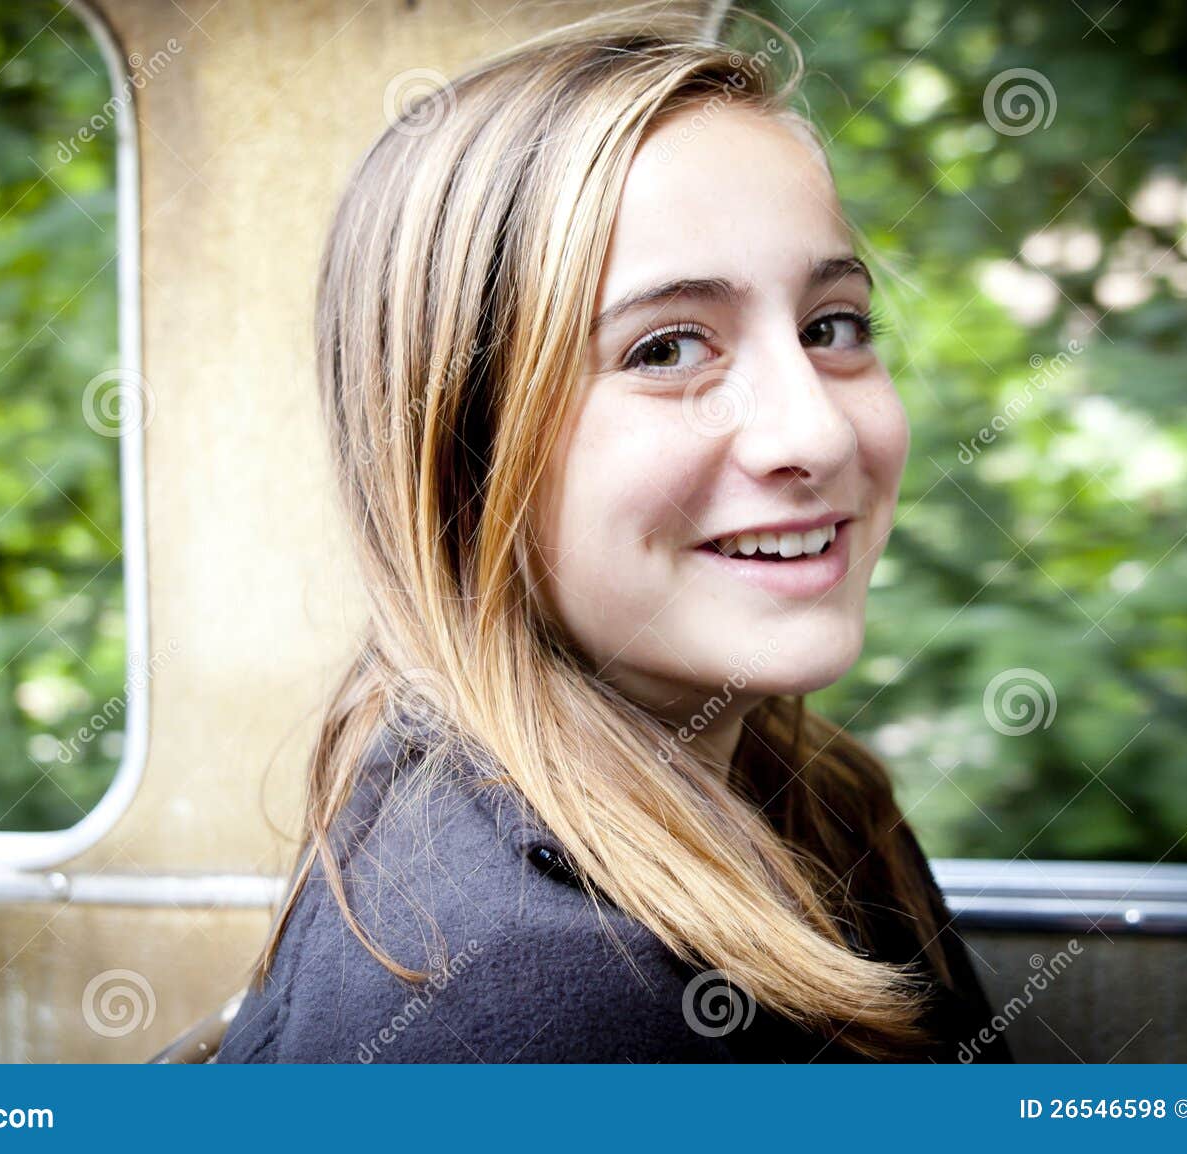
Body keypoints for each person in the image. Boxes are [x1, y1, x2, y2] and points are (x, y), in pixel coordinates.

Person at [217, 2, 1013, 1064]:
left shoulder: (814, 795)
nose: (813, 430)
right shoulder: (531, 995)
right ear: (463, 450)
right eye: (667, 348)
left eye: (832, 327)